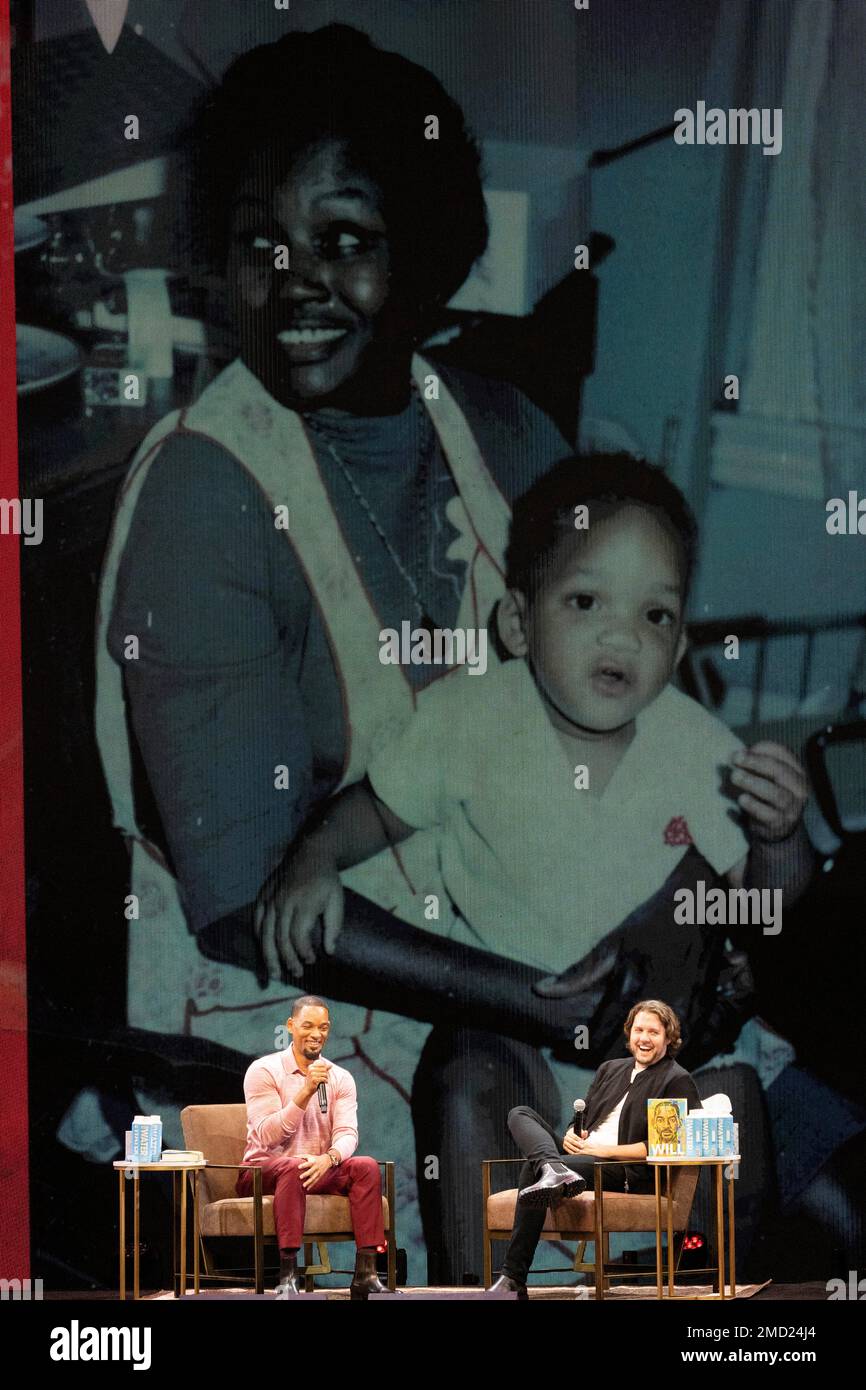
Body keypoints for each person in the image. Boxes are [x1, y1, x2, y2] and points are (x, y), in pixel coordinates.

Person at [94, 24, 567, 1282]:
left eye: (343, 239)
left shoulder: (497, 427)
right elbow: (254, 904)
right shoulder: (208, 491)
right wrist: (524, 989)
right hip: (289, 1015)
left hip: (523, 931)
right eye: (259, 242)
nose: (293, 281)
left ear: (416, 250)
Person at [256, 453, 813, 1276]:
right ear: (519, 623)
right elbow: (372, 809)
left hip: (653, 1056)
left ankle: (700, 1288)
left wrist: (778, 838)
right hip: (513, 1031)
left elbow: (761, 905)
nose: (623, 635)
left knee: (730, 1111)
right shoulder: (469, 719)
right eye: (586, 602)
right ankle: (484, 1281)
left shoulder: (697, 748)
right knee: (464, 1087)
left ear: (681, 639)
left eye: (656, 616)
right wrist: (313, 859)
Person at [485, 1000, 701, 1296]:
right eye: (639, 1030)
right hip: (583, 1155)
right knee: (520, 1113)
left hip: (623, 1170)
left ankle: (513, 1278)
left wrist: (602, 1149)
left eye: (653, 1032)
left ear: (668, 1038)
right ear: (629, 1034)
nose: (644, 1038)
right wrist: (573, 1135)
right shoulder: (610, 1069)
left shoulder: (676, 1080)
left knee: (531, 1167)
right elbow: (586, 1121)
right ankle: (553, 1168)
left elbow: (663, 1147)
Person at [237, 995, 395, 1299]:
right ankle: (287, 1276)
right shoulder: (264, 1070)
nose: (315, 1034)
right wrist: (306, 1091)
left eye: (322, 1027)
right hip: (262, 1173)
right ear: (291, 1026)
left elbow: (347, 1132)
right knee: (294, 1167)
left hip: (316, 1168)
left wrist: (330, 1158)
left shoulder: (340, 1077)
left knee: (365, 1167)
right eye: (307, 1025)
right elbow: (268, 1136)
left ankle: (366, 1274)